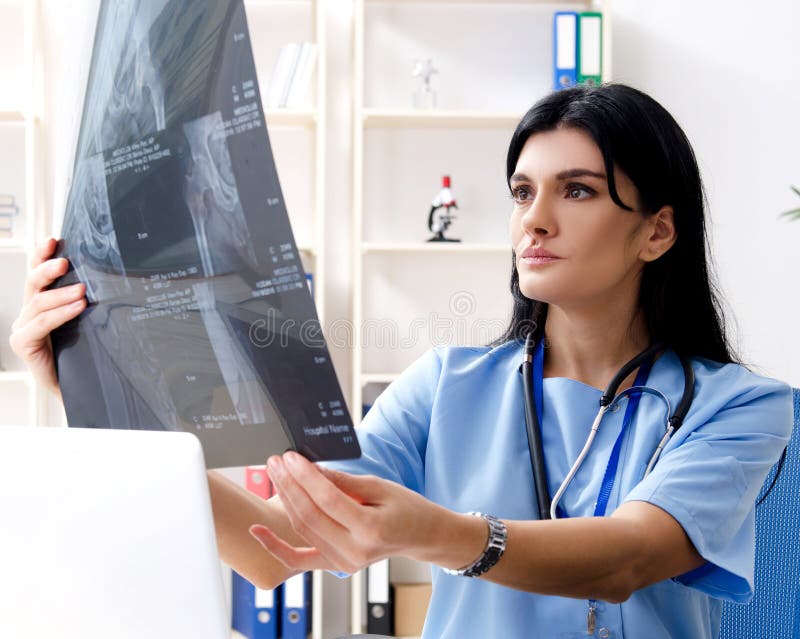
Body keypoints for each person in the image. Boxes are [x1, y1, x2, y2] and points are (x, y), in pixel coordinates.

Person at [12, 83, 793, 639]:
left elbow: (624, 559)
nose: (534, 220)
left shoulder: (740, 406)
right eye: (522, 192)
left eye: (577, 191)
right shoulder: (443, 386)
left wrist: (441, 534)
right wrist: (105, 388)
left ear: (657, 232)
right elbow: (275, 546)